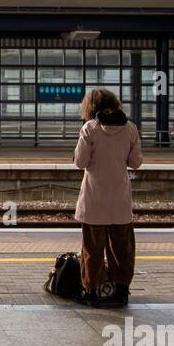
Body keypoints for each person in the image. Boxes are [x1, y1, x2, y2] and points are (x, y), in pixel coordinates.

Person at [73, 87, 143, 306]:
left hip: (94, 199)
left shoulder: (89, 129)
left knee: (92, 250)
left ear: (90, 107)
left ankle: (91, 292)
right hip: (120, 200)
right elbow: (135, 162)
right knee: (122, 249)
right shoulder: (130, 128)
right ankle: (121, 291)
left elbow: (80, 162)